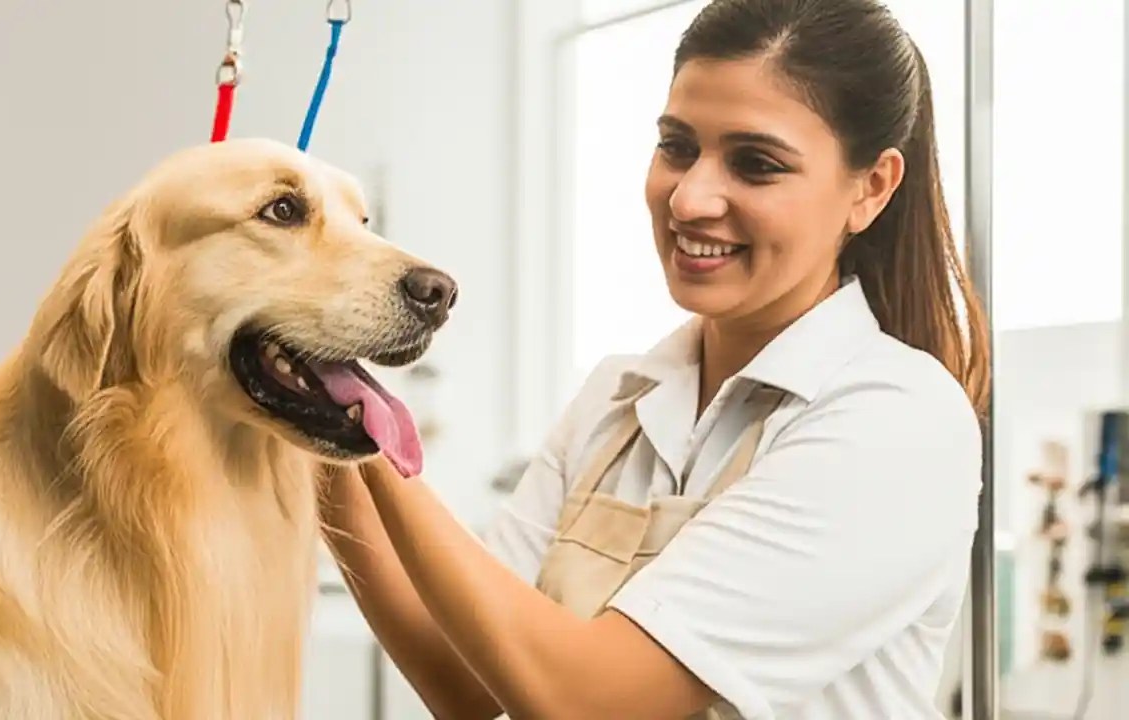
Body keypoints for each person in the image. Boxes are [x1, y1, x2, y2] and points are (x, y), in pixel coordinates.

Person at [320, 0, 990, 717]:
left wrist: (366, 422)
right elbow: (463, 679)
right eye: (677, 146)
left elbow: (587, 701)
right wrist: (314, 427)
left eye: (756, 165)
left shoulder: (894, 420)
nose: (692, 197)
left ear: (872, 187)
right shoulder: (618, 398)